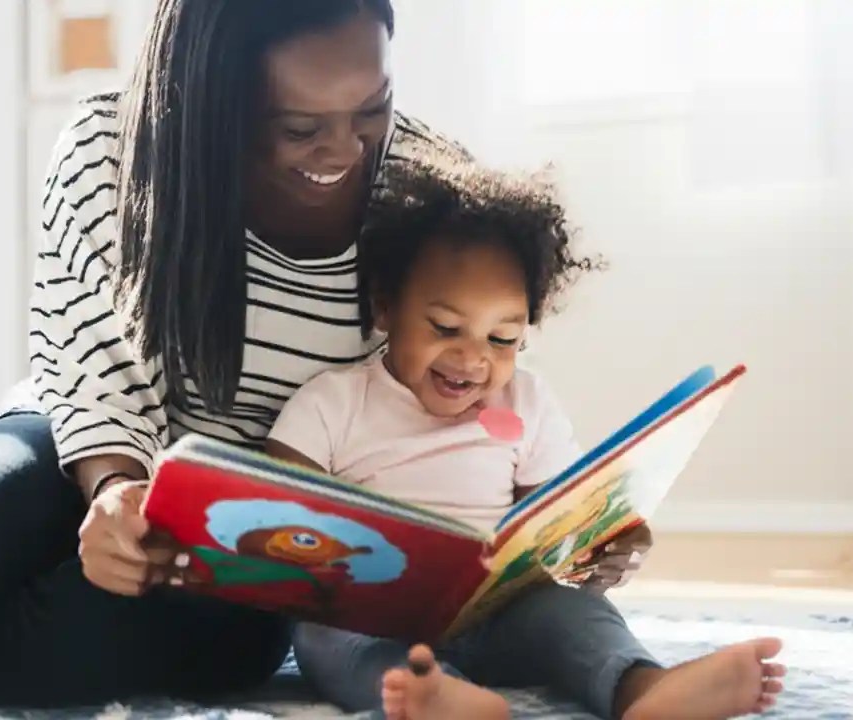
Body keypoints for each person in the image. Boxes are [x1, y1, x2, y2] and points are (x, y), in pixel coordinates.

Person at [0, 0, 651, 706]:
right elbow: (84, 361)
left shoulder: (422, 180)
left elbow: (468, 364)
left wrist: (554, 527)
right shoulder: (110, 148)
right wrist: (114, 487)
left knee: (94, 651)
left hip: (261, 521)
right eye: (299, 125)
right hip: (81, 438)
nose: (348, 149)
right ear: (209, 96)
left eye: (372, 108)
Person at [264, 149, 788, 720]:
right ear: (385, 305)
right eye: (445, 328)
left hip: (499, 618)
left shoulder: (529, 403)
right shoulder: (334, 402)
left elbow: (561, 523)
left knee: (574, 617)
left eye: (503, 338)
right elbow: (274, 512)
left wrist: (608, 542)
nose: (471, 358)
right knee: (321, 637)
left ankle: (643, 689)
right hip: (376, 620)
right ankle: (435, 696)